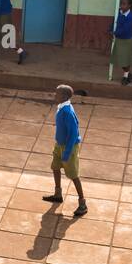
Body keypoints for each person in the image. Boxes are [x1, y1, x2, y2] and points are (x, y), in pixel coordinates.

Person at [43, 85, 87, 218]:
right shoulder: (62, 107)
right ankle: (58, 194)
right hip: (59, 145)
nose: (54, 96)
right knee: (55, 167)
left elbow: (73, 133)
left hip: (69, 147)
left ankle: (82, 204)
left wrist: (67, 153)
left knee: (73, 174)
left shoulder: (67, 111)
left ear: (64, 97)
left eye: (57, 94)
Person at [110, 0, 132, 86]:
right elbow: (114, 22)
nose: (122, 6)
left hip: (126, 40)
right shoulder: (119, 13)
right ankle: (127, 73)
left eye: (124, 4)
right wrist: (111, 30)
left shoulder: (130, 17)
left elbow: (125, 29)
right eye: (121, 3)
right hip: (119, 39)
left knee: (125, 59)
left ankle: (126, 76)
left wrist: (115, 33)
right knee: (120, 59)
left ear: (129, 6)